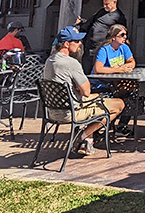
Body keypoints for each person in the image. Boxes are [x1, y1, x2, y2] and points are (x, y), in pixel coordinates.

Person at [43, 26, 125, 156]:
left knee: (98, 96)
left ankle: (88, 140)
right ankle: (82, 136)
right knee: (119, 105)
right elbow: (86, 91)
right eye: (76, 41)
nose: (80, 43)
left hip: (52, 111)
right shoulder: (71, 63)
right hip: (71, 112)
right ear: (66, 44)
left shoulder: (49, 61)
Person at [77, 0, 127, 74]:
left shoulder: (119, 17)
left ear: (114, 2)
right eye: (104, 4)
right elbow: (90, 22)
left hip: (101, 48)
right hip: (89, 47)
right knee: (86, 71)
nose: (104, 6)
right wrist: (81, 23)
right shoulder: (101, 12)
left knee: (97, 71)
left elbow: (121, 33)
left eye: (107, 4)